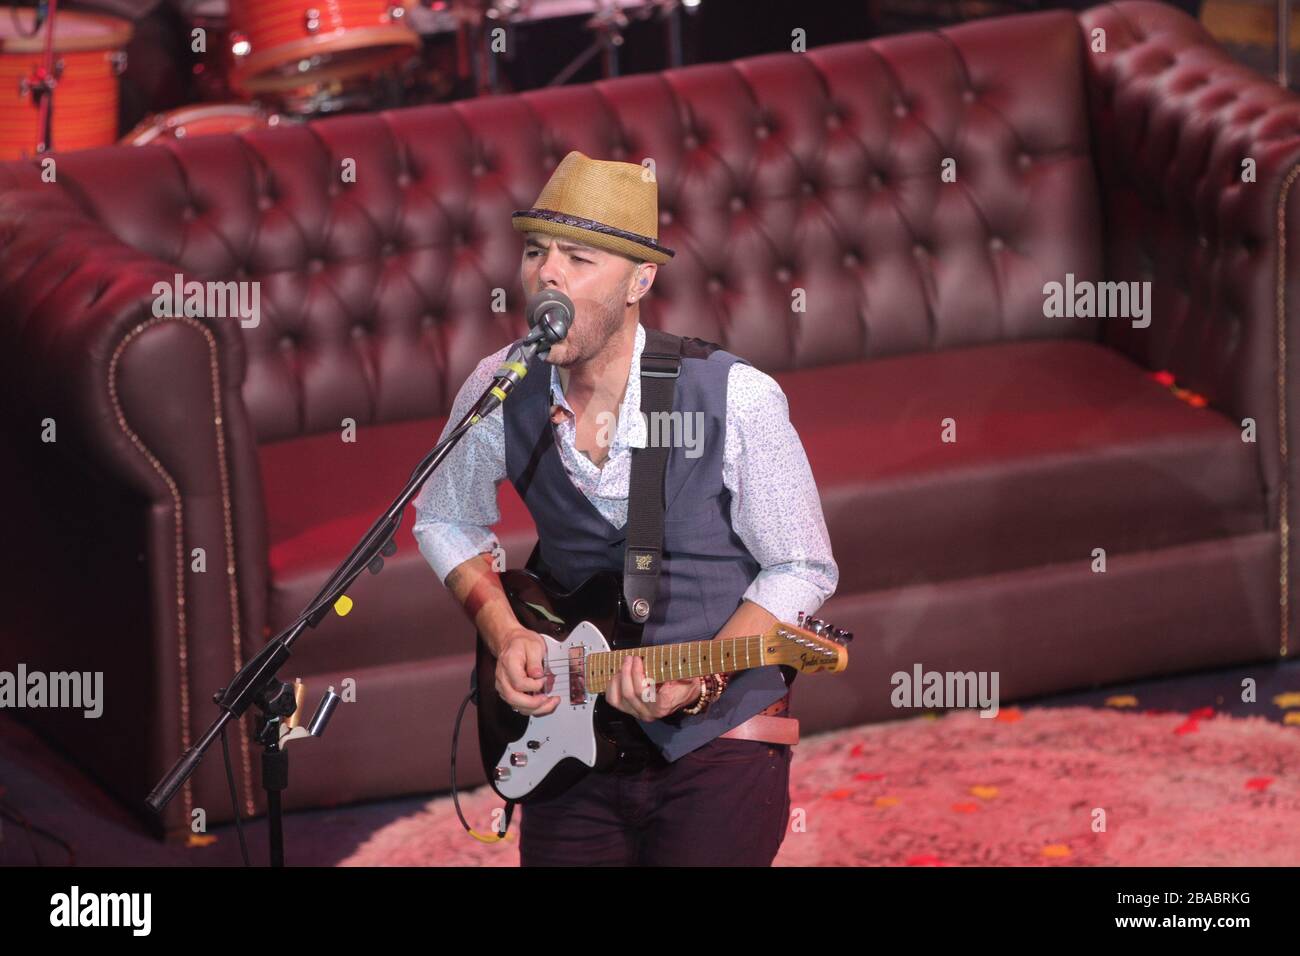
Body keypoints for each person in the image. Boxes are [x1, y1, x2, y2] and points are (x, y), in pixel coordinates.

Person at [413, 150, 837, 866]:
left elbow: (800, 563)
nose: (547, 273)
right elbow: (443, 516)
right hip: (566, 740)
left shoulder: (737, 398)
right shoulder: (499, 386)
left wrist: (702, 678)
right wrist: (504, 628)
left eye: (578, 258)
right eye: (536, 252)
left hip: (719, 735)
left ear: (641, 280)